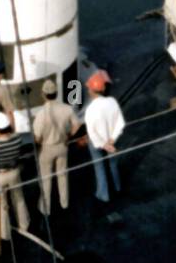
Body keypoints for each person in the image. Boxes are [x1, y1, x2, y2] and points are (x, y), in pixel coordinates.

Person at [32, 78, 82, 214]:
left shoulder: (41, 114)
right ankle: (64, 203)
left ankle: (45, 208)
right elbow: (77, 125)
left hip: (46, 149)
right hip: (62, 146)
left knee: (46, 179)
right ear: (57, 92)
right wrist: (69, 136)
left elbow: (37, 138)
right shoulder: (67, 109)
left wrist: (39, 143)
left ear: (43, 94)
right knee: (62, 175)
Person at [0, 112, 31, 241]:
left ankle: (5, 234)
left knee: (2, 204)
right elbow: (14, 138)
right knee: (19, 198)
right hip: (14, 172)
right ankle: (24, 225)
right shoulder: (17, 139)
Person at [84, 71, 125, 202]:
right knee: (113, 164)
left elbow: (92, 133)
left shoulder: (90, 110)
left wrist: (103, 145)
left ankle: (103, 194)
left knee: (99, 166)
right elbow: (120, 123)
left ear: (92, 91)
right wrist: (111, 140)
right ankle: (118, 187)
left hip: (98, 144)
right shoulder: (112, 102)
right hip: (111, 140)